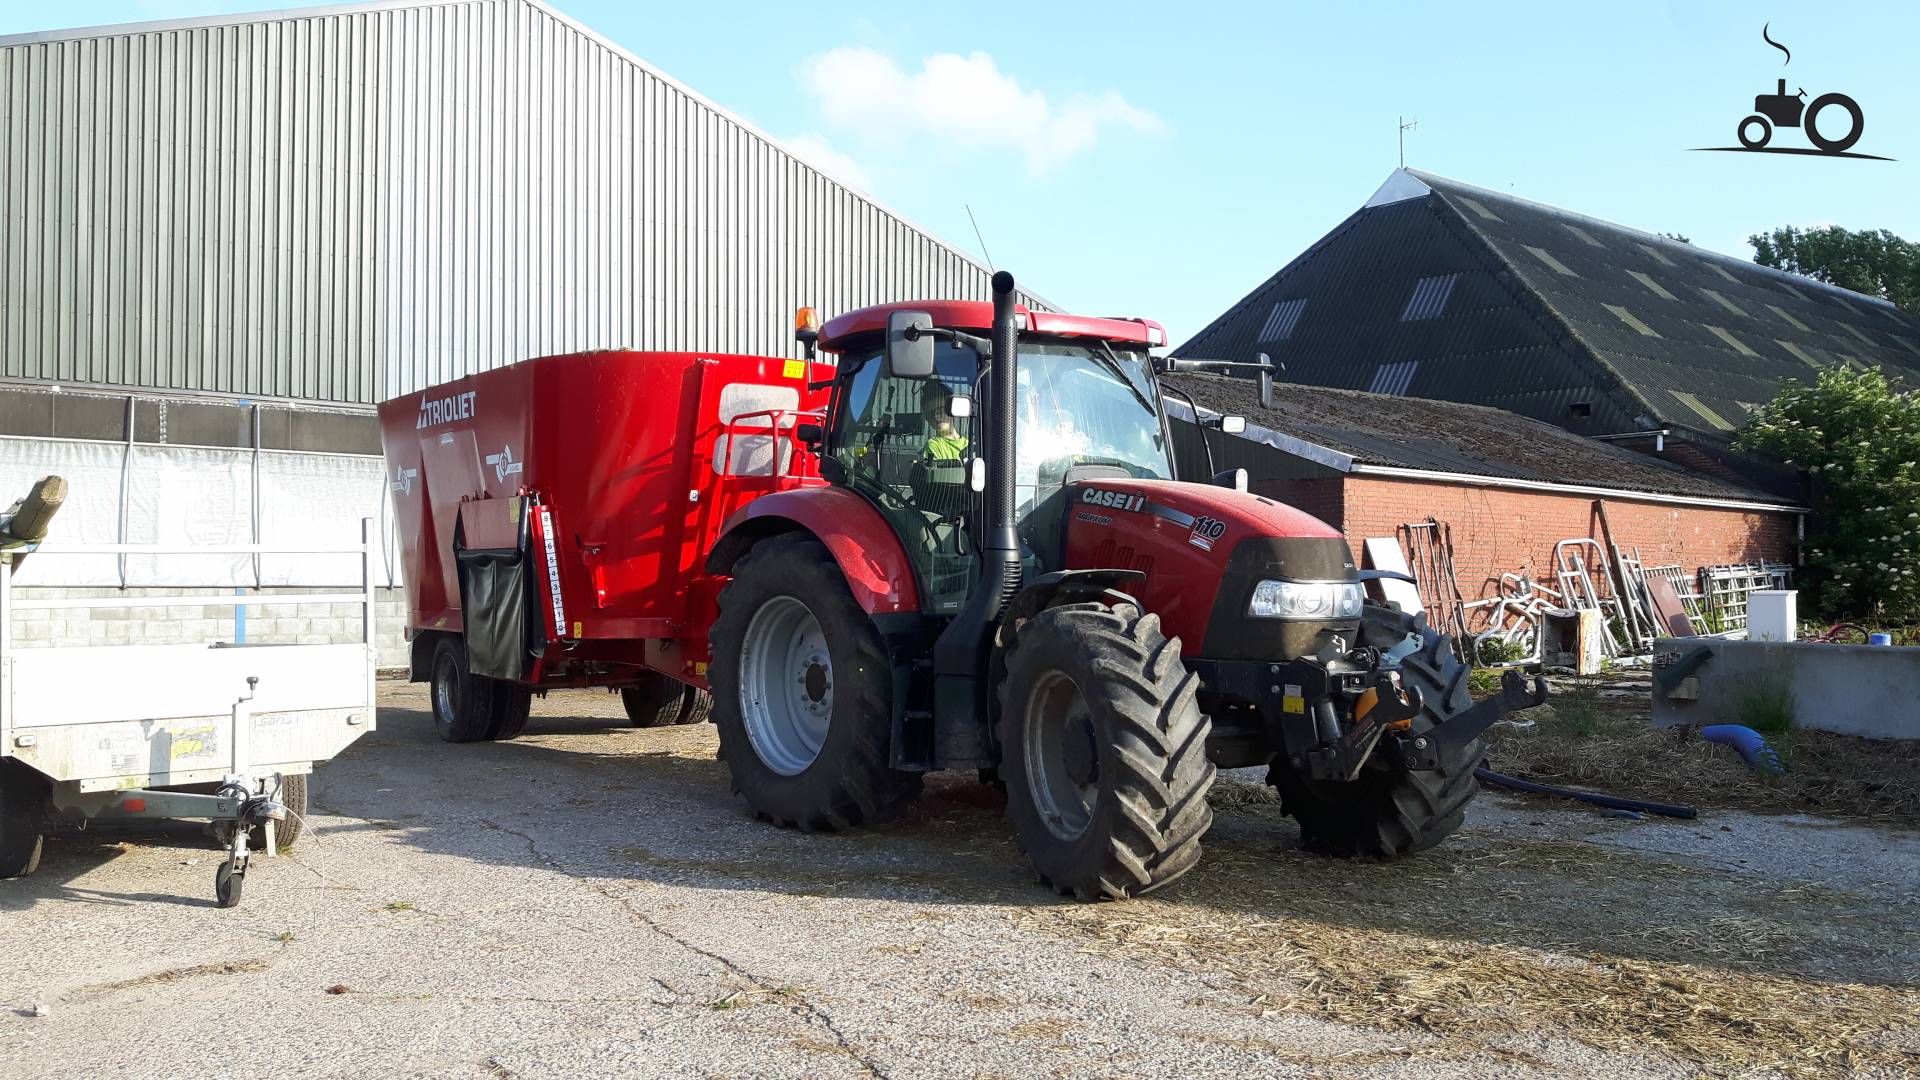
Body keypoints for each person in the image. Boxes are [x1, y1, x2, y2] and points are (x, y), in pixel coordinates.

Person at [921, 384, 968, 461]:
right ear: (927, 420)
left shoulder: (968, 444)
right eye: (930, 414)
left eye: (939, 410)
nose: (935, 416)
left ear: (951, 409)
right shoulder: (934, 446)